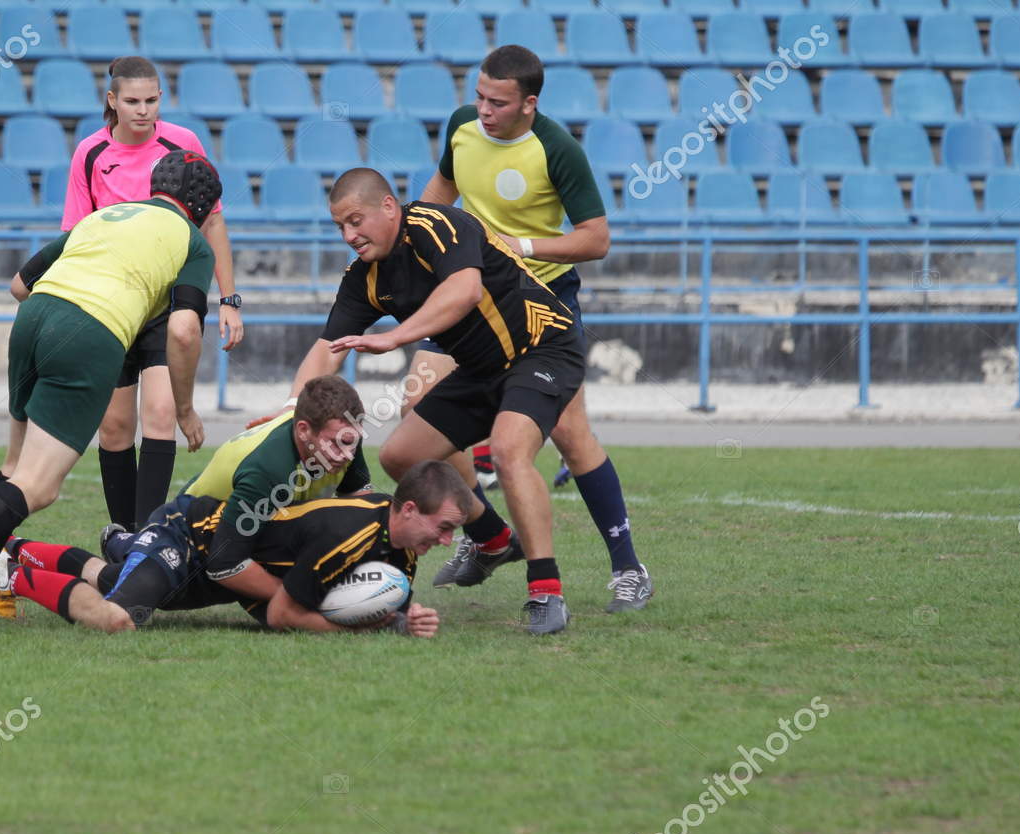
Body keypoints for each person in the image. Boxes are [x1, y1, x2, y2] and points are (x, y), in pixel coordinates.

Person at [0, 150, 221, 638]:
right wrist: (187, 408)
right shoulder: (194, 243)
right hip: (89, 332)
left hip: (34, 316)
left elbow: (19, 284)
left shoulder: (108, 214)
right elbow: (186, 331)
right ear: (202, 206)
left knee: (13, 470)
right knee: (39, 486)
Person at [290, 167, 585, 635]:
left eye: (355, 221)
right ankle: (493, 540)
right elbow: (329, 348)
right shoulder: (364, 278)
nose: (349, 235)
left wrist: (397, 337)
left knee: (509, 451)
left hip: (542, 346)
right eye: (340, 227)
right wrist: (292, 415)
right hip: (481, 371)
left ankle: (546, 591)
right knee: (401, 455)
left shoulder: (436, 224)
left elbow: (464, 290)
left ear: (389, 207)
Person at [416, 44, 652, 612]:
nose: (483, 110)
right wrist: (415, 244)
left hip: (543, 304)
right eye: (478, 96)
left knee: (570, 434)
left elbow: (596, 238)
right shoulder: (462, 127)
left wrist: (517, 246)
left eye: (497, 101)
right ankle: (490, 538)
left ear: (529, 104)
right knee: (418, 403)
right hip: (471, 297)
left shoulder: (557, 148)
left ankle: (628, 567)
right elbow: (439, 196)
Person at [67, 56, 245, 534]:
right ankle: (122, 535)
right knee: (115, 427)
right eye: (132, 101)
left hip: (170, 303)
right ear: (112, 100)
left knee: (162, 412)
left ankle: (146, 540)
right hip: (110, 306)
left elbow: (213, 221)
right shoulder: (89, 153)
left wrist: (229, 300)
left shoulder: (182, 144)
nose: (142, 110)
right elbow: (76, 233)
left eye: (151, 100)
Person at [5, 459, 470, 636]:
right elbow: (283, 615)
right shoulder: (345, 536)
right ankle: (1, 576)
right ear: (408, 509)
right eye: (443, 527)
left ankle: (13, 545)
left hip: (219, 577)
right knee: (119, 618)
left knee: (110, 580)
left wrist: (409, 618)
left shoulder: (403, 548)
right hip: (187, 537)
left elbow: (380, 602)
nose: (446, 541)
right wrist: (363, 629)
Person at [103, 373, 373, 606]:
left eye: (352, 442)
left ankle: (129, 545)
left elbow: (360, 509)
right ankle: (124, 544)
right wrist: (298, 600)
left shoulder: (341, 433)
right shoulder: (269, 470)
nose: (347, 455)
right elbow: (225, 564)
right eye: (338, 444)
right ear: (303, 431)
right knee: (166, 591)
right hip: (185, 530)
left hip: (247, 521)